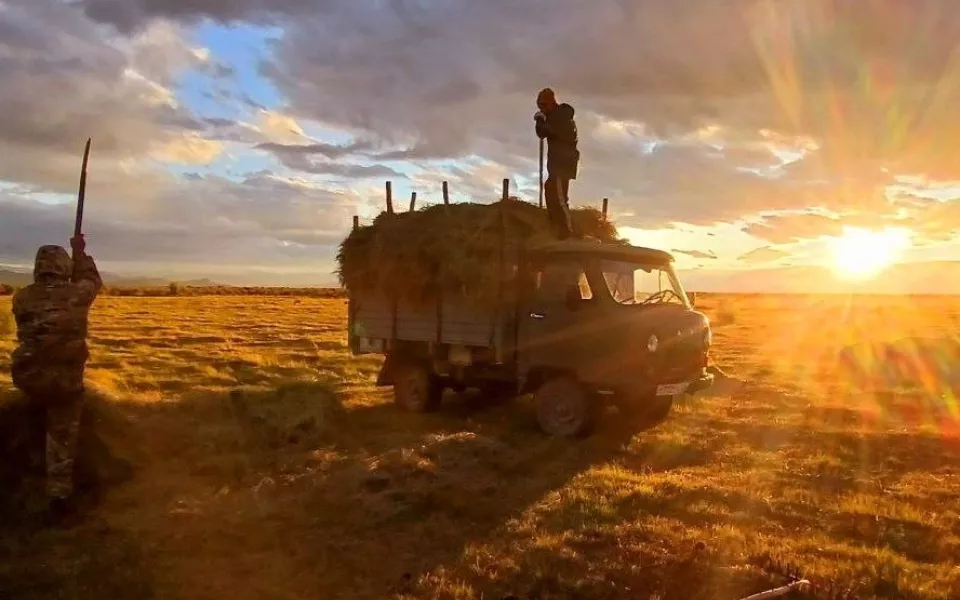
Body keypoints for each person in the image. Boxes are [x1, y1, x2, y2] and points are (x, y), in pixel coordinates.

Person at [11, 234, 102, 520]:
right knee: (62, 435)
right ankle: (59, 498)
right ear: (63, 266)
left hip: (28, 377)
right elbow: (93, 281)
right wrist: (80, 254)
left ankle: (23, 473)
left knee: (33, 419)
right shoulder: (76, 294)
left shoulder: (22, 297)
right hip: (64, 383)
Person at [534, 87, 580, 239]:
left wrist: (539, 119)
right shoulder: (557, 116)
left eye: (543, 105)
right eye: (539, 106)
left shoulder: (560, 117)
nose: (542, 109)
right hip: (559, 161)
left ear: (551, 102)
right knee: (550, 190)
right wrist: (542, 119)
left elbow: (543, 132)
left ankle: (567, 232)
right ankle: (556, 227)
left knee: (560, 198)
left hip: (562, 162)